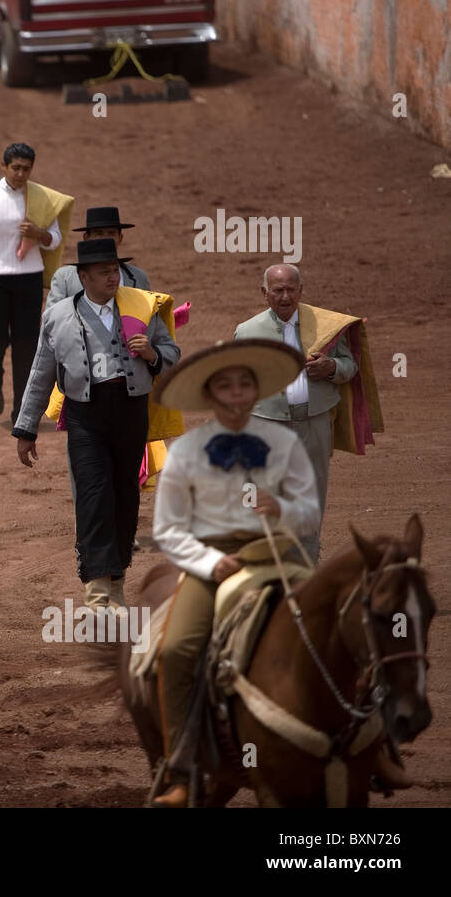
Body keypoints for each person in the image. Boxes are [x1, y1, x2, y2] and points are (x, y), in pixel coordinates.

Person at [148, 339, 320, 807]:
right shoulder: (185, 451)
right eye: (227, 386)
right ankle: (181, 771)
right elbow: (167, 529)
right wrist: (209, 563)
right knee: (178, 649)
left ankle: (373, 744)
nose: (238, 393)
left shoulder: (282, 442)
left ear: (256, 390)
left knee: (340, 623)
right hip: (213, 562)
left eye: (245, 384)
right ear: (211, 394)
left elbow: (308, 510)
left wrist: (282, 507)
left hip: (278, 553)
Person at [13, 239, 179, 610]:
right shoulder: (57, 317)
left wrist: (153, 354)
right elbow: (41, 374)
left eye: (115, 269)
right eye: (104, 271)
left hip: (131, 411)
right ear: (82, 276)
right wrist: (26, 428)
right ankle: (97, 590)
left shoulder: (142, 305)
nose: (113, 276)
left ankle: (116, 580)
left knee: (124, 495)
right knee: (92, 494)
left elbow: (172, 355)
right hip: (86, 415)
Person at [232, 264, 360, 563]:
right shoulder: (248, 331)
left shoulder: (326, 325)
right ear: (265, 293)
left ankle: (306, 566)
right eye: (278, 290)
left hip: (314, 422)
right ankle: (268, 567)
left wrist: (331, 368)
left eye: (291, 289)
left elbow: (349, 365)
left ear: (301, 291)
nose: (285, 296)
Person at [0, 142, 72, 421]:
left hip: (29, 280)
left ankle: (22, 409)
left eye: (26, 169)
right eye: (16, 168)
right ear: (4, 167)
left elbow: (55, 239)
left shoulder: (41, 198)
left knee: (27, 346)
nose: (20, 174)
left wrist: (38, 232)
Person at [46, 206, 150, 307]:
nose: (105, 239)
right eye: (98, 234)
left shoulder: (139, 277)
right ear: (86, 238)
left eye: (111, 233)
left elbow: (151, 319)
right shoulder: (64, 278)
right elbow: (52, 321)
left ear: (120, 238)